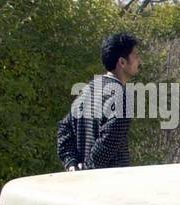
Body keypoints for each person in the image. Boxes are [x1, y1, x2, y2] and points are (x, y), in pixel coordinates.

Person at [56, 32, 141, 170]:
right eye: (136, 56)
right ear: (122, 62)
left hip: (85, 183)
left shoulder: (88, 90)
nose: (139, 61)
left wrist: (71, 162)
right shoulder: (122, 97)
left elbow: (64, 128)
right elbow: (108, 142)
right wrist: (88, 170)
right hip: (109, 183)